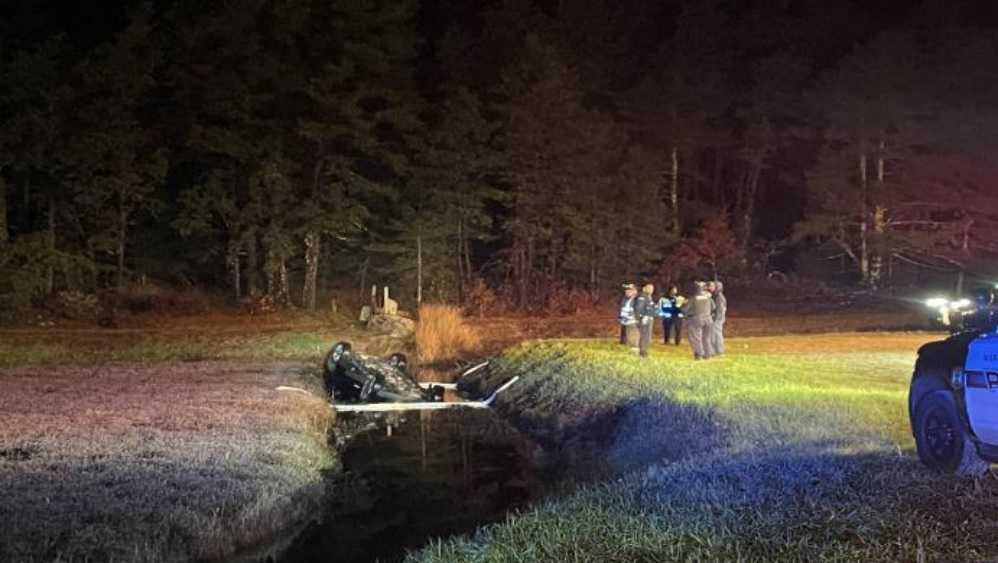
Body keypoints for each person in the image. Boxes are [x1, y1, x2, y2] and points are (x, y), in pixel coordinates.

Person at [683, 281, 715, 360]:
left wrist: (682, 304)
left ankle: (699, 354)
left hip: (696, 319)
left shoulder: (694, 298)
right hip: (708, 319)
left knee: (695, 337)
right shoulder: (708, 297)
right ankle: (708, 354)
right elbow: (713, 307)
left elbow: (685, 309)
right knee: (706, 337)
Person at [635, 283, 658, 357]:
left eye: (652, 288)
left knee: (647, 336)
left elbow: (652, 308)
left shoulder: (649, 297)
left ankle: (645, 351)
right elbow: (639, 308)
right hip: (645, 319)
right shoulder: (642, 297)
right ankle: (643, 352)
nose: (651, 290)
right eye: (649, 288)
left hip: (649, 318)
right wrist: (641, 318)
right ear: (644, 288)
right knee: (645, 335)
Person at [708, 280, 727, 356]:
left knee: (717, 335)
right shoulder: (715, 296)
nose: (710, 287)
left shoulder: (719, 298)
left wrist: (715, 319)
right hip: (716, 318)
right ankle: (714, 351)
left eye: (712, 286)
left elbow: (720, 310)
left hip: (717, 319)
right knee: (713, 335)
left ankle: (719, 351)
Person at [618, 283, 639, 351]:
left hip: (632, 320)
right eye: (626, 290)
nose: (627, 292)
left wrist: (636, 317)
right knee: (624, 333)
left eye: (629, 290)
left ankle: (634, 347)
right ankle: (624, 344)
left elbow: (638, 309)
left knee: (633, 333)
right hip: (624, 319)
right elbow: (622, 307)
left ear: (635, 291)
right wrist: (620, 316)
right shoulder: (625, 298)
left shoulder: (636, 299)